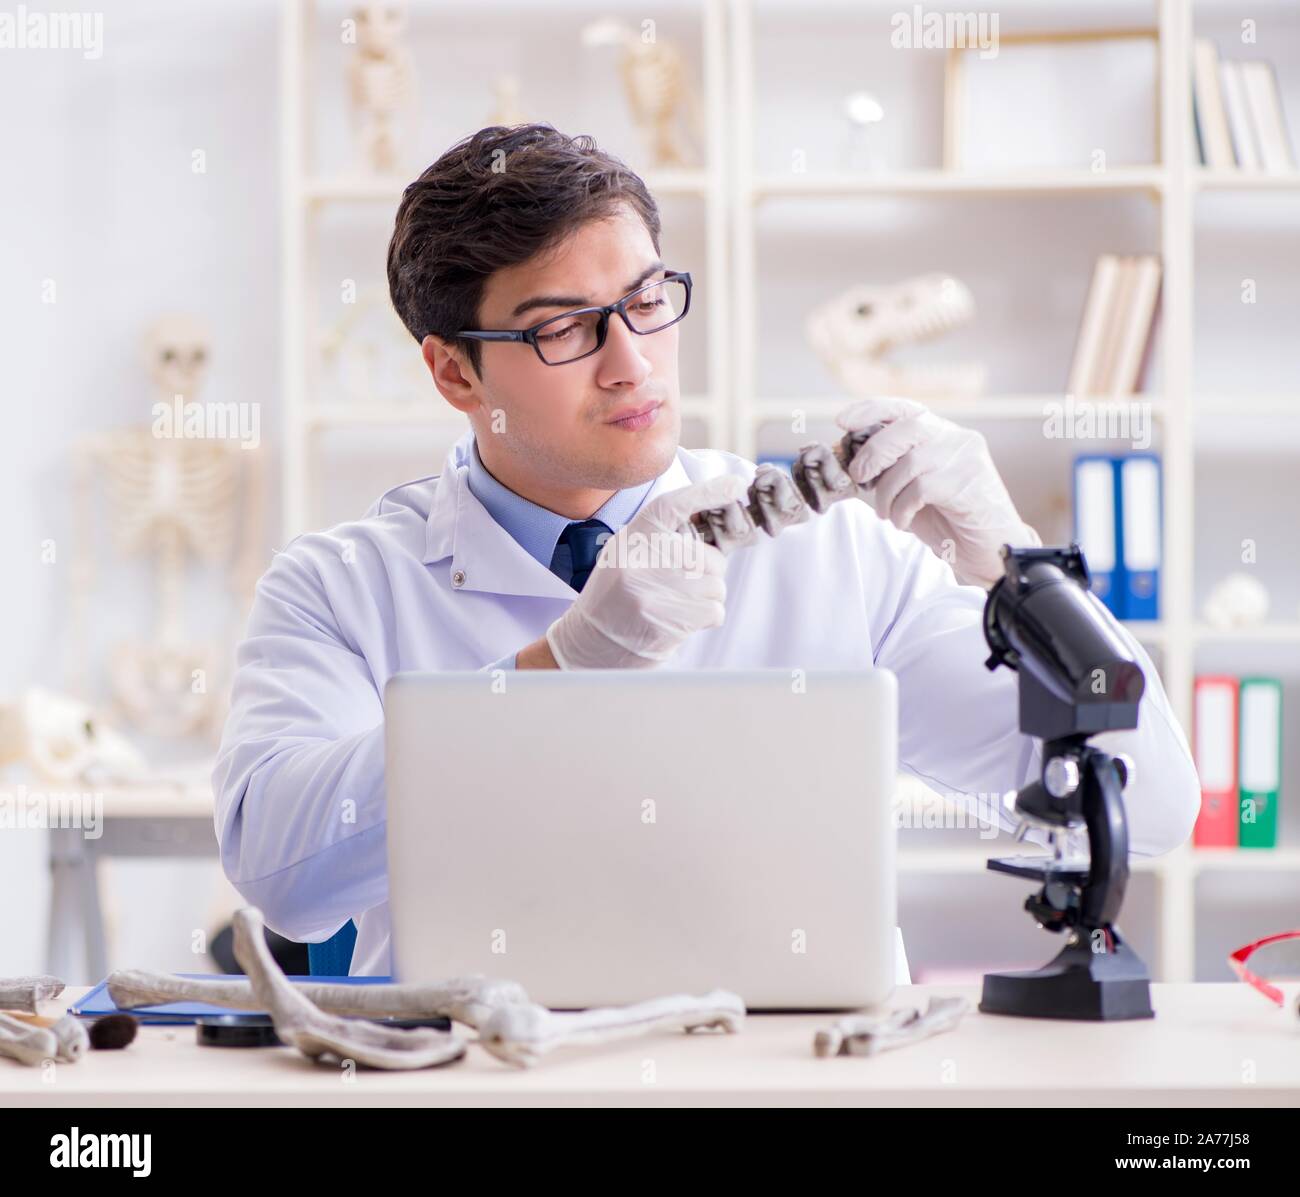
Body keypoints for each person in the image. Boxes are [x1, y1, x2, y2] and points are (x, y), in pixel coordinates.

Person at [212, 124, 1200, 976]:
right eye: (564, 330)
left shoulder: (834, 554)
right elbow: (280, 873)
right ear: (454, 373)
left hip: (811, 1083)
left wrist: (1017, 572)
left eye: (647, 301)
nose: (631, 362)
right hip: (489, 1081)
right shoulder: (341, 587)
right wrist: (556, 673)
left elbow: (1146, 805)